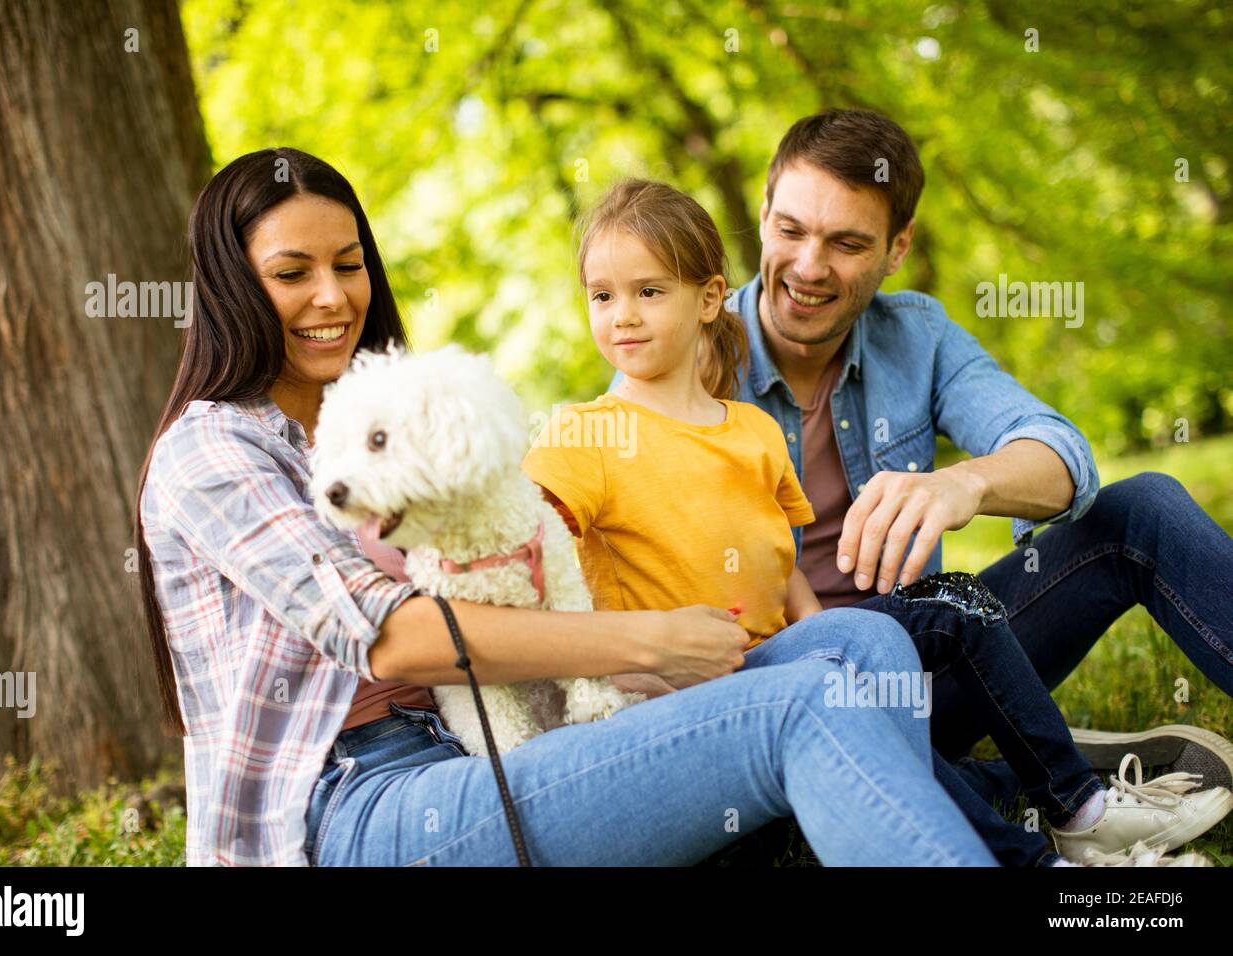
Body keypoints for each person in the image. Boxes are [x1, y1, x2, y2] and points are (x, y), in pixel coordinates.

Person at [134, 146, 996, 867]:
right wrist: (645, 640)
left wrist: (625, 667)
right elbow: (393, 636)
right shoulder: (211, 452)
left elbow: (521, 562)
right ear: (230, 288)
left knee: (860, 640)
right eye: (293, 274)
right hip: (356, 801)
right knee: (800, 705)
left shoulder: (382, 413)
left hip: (500, 736)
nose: (333, 297)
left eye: (348, 265)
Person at [531, 178, 1228, 865]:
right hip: (724, 703)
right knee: (846, 699)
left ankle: (1078, 804)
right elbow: (519, 568)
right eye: (602, 296)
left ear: (896, 249)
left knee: (977, 590)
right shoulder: (588, 435)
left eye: (647, 292)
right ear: (766, 217)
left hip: (857, 663)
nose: (622, 315)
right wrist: (622, 659)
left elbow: (786, 574)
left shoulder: (763, 422)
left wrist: (965, 483)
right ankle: (1036, 830)